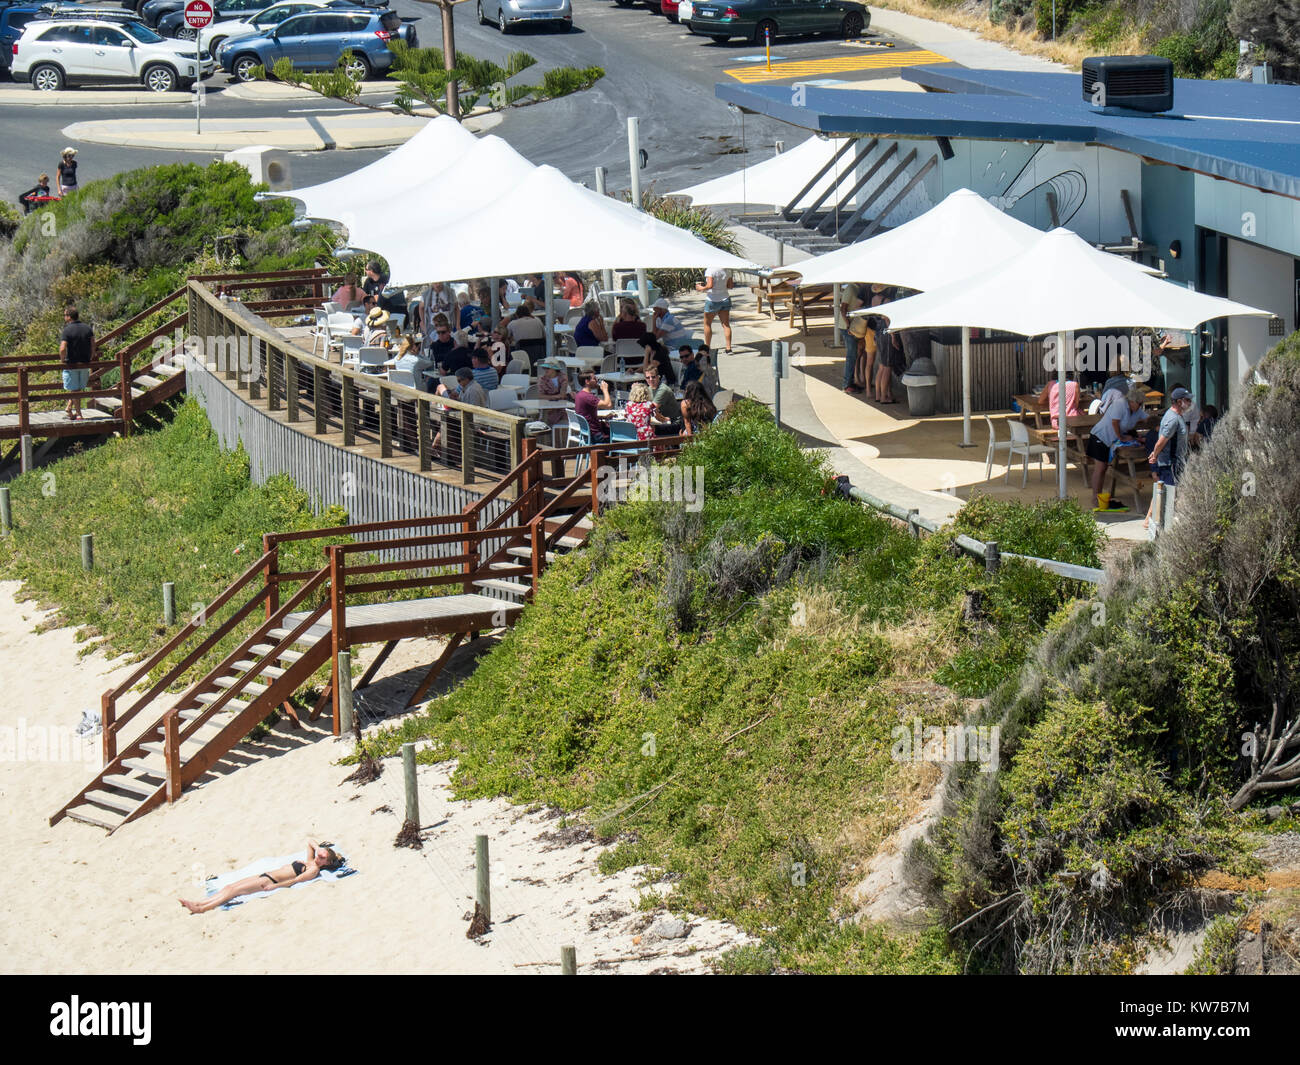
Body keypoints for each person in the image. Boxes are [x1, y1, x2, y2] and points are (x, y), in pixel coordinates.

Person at [179, 842, 344, 915]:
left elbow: (296, 880)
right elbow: (310, 842)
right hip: (265, 875)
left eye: (322, 858)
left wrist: (276, 887)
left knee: (233, 892)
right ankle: (200, 902)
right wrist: (320, 849)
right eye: (320, 854)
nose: (318, 857)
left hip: (269, 881)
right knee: (229, 886)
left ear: (326, 863)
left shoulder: (313, 870)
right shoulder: (310, 860)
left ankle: (201, 909)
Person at [1087, 384, 1148, 511]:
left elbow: (1147, 419)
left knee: (1103, 468)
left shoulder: (1137, 410)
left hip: (1110, 440)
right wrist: (1122, 438)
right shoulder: (1120, 404)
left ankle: (1099, 497)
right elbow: (1115, 422)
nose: (1141, 405)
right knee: (1100, 468)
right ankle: (1095, 498)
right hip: (1100, 436)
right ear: (1132, 401)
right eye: (1140, 403)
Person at [60, 305, 93, 420]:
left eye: (65, 315)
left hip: (72, 363)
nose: (64, 317)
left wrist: (62, 360)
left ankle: (78, 414)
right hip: (85, 363)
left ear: (69, 317)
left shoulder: (67, 330)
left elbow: (63, 349)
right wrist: (91, 357)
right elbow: (93, 345)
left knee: (74, 388)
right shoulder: (87, 328)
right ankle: (69, 408)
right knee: (77, 388)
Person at [696, 264, 733, 354]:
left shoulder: (710, 270)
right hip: (725, 298)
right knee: (726, 324)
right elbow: (730, 286)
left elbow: (710, 285)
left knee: (707, 323)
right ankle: (728, 348)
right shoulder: (727, 269)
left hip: (712, 299)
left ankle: (707, 347)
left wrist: (701, 288)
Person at [838, 282, 865, 393]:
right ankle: (847, 384)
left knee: (854, 355)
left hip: (853, 326)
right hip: (847, 327)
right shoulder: (851, 289)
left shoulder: (858, 288)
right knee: (851, 356)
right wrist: (848, 324)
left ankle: (851, 382)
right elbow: (843, 308)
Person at [573, 372, 612, 440]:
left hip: (587, 433)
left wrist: (602, 417)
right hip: (596, 435)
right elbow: (608, 405)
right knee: (623, 436)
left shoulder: (579, 395)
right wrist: (605, 389)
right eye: (594, 379)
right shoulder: (588, 397)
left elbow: (586, 415)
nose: (597, 380)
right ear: (587, 381)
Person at [644, 364, 681, 434]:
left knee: (648, 429)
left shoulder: (663, 389)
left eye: (653, 377)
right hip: (660, 420)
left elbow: (651, 408)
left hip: (674, 423)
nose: (651, 379)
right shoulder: (649, 389)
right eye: (648, 378)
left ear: (658, 377)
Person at [536, 360, 571, 429]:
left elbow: (562, 395)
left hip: (562, 407)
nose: (545, 370)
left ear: (554, 369)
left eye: (548, 368)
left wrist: (550, 397)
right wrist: (555, 396)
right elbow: (540, 396)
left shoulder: (563, 377)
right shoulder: (542, 379)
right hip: (547, 407)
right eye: (545, 368)